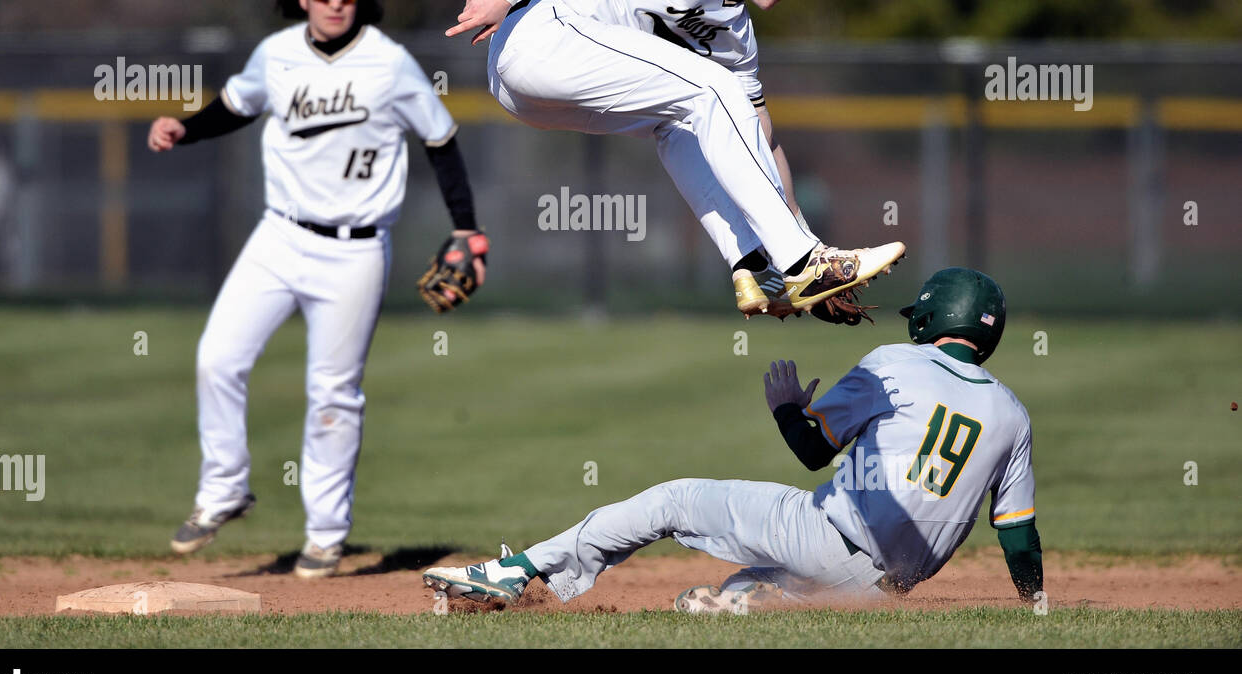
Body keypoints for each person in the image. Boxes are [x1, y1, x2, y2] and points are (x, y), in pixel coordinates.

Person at [149, 0, 487, 578]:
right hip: (278, 237)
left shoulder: (389, 63)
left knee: (333, 395)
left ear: (360, 0)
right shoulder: (275, 55)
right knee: (217, 357)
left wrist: (466, 227)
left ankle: (326, 537)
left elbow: (440, 138)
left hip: (356, 250)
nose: (335, 2)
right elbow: (236, 105)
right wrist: (184, 129)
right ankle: (223, 490)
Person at [424, 268, 1043, 612]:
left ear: (934, 317)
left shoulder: (894, 362)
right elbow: (1017, 531)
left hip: (825, 534)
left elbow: (811, 452)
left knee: (673, 500)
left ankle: (519, 569)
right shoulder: (1012, 414)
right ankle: (738, 610)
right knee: (751, 583)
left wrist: (785, 410)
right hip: (883, 587)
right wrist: (1033, 604)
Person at [446, 0, 904, 324]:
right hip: (538, 31)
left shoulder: (736, 37)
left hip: (535, 92)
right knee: (711, 90)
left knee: (681, 122)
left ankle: (759, 265)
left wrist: (803, 235)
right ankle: (803, 262)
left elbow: (761, 138)